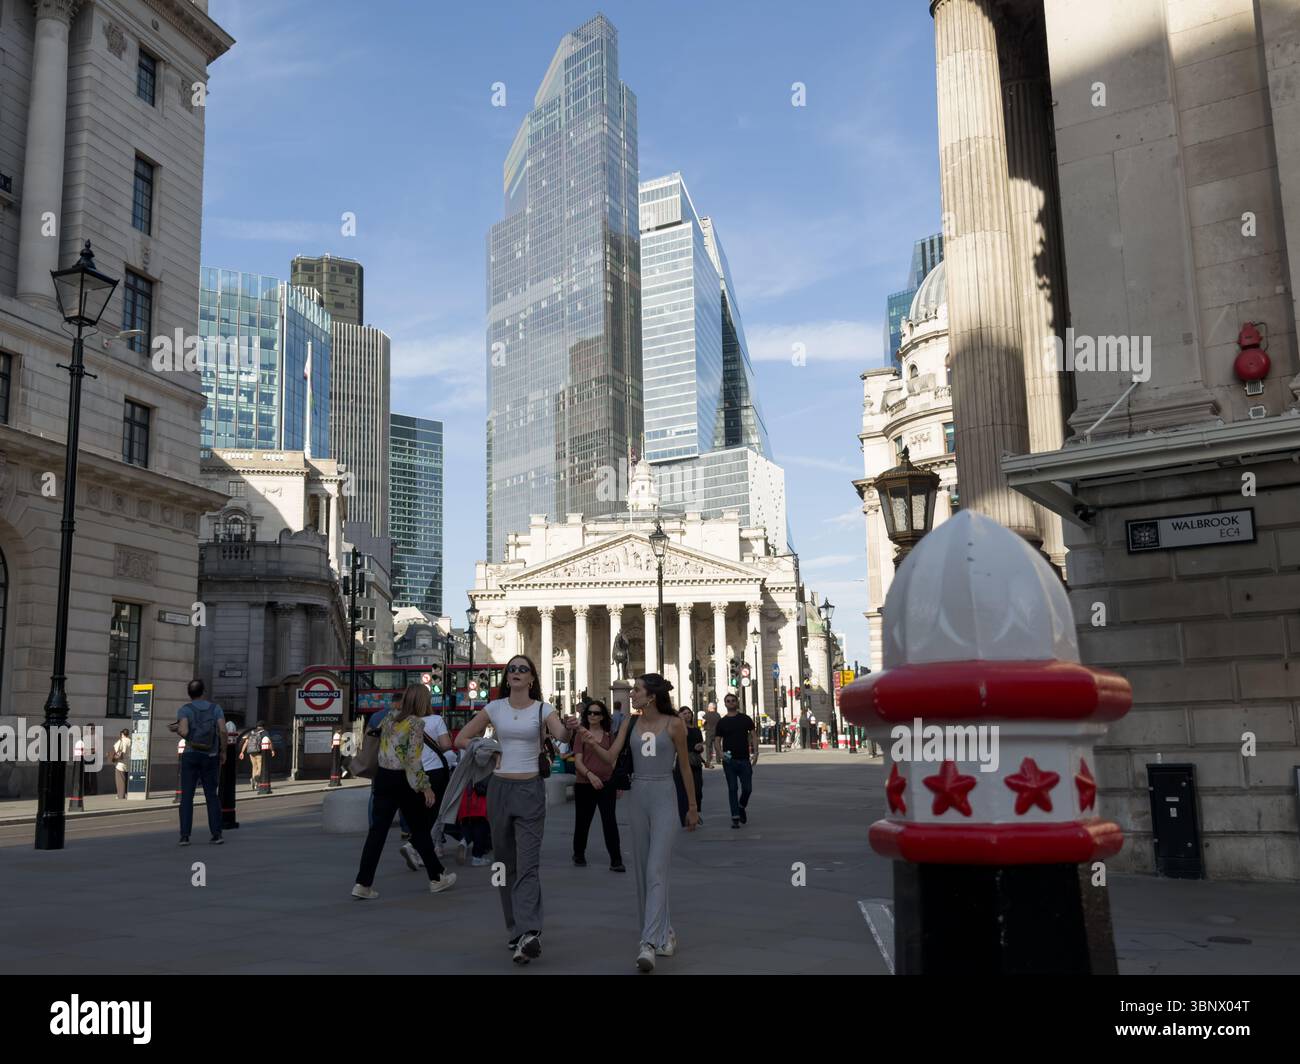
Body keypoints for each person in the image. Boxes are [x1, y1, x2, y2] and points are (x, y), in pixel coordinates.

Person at [454, 653, 579, 965]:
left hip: (530, 789)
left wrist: (571, 727)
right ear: (506, 677)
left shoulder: (542, 709)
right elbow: (461, 738)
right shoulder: (494, 708)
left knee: (528, 863)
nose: (517, 673)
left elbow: (562, 737)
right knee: (503, 864)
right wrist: (487, 750)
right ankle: (514, 929)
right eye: (512, 669)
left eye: (523, 669)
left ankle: (529, 931)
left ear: (532, 677)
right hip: (499, 789)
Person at [580, 673, 698, 973]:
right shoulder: (630, 724)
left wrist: (692, 807)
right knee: (644, 871)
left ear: (652, 695)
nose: (632, 694)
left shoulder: (674, 724)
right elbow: (610, 757)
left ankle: (647, 943)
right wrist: (590, 741)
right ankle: (665, 932)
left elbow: (684, 767)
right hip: (638, 796)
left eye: (637, 690)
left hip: (664, 796)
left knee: (657, 868)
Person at [352, 683, 457, 899]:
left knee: (377, 833)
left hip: (383, 778)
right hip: (404, 782)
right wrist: (425, 787)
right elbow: (412, 759)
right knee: (419, 829)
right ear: (424, 701)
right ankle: (437, 878)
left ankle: (362, 884)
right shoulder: (415, 724)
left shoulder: (389, 719)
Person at [398, 696, 456, 871]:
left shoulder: (401, 722)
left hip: (411, 773)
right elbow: (446, 745)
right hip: (434, 771)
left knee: (418, 815)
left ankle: (419, 851)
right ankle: (415, 846)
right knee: (433, 814)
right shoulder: (436, 720)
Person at [571, 700, 624, 872]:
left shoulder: (609, 735)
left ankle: (616, 860)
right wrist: (589, 774)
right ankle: (579, 853)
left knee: (609, 821)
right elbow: (577, 761)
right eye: (589, 713)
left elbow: (614, 759)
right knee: (583, 821)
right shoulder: (581, 734)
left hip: (606, 783)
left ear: (603, 716)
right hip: (585, 784)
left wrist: (616, 782)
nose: (592, 716)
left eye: (596, 713)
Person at [172, 680, 226, 845]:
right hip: (210, 756)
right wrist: (223, 751)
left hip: (191, 755)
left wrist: (177, 730)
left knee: (187, 797)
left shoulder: (185, 710)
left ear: (189, 694)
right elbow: (223, 730)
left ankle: (185, 836)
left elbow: (185, 731)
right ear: (204, 692)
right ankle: (216, 834)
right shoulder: (215, 708)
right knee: (211, 795)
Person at [713, 691, 757, 829]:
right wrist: (720, 753)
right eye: (728, 701)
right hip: (729, 760)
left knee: (747, 788)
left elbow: (754, 736)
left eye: (733, 700)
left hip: (744, 759)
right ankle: (735, 816)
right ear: (725, 704)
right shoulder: (722, 722)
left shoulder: (745, 719)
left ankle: (741, 805)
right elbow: (717, 740)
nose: (731, 702)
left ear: (737, 702)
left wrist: (756, 753)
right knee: (732, 788)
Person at [673, 707, 705, 827]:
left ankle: (694, 812)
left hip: (695, 761)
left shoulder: (696, 730)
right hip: (682, 761)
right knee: (682, 792)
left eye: (689, 713)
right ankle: (685, 819)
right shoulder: (679, 729)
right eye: (684, 713)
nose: (687, 715)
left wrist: (700, 747)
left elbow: (701, 744)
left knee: (697, 790)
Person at [239, 720, 271, 791]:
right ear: (263, 726)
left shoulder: (251, 732)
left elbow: (246, 742)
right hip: (259, 752)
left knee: (254, 767)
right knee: (260, 768)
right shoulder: (264, 732)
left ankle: (254, 781)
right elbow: (269, 741)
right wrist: (272, 750)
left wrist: (242, 752)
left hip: (251, 752)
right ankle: (255, 779)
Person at [111, 728, 131, 799]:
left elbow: (118, 751)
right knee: (125, 779)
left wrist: (113, 757)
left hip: (120, 763)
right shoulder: (130, 741)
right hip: (127, 762)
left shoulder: (122, 741)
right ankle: (126, 794)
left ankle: (121, 795)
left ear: (122, 734)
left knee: (120, 780)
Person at [702, 702, 721, 767]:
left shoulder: (706, 715)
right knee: (717, 746)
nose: (707, 708)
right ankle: (718, 760)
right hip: (717, 732)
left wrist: (703, 726)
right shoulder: (718, 715)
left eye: (708, 707)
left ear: (710, 707)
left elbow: (703, 722)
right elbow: (720, 723)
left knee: (708, 747)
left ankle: (708, 760)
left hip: (709, 732)